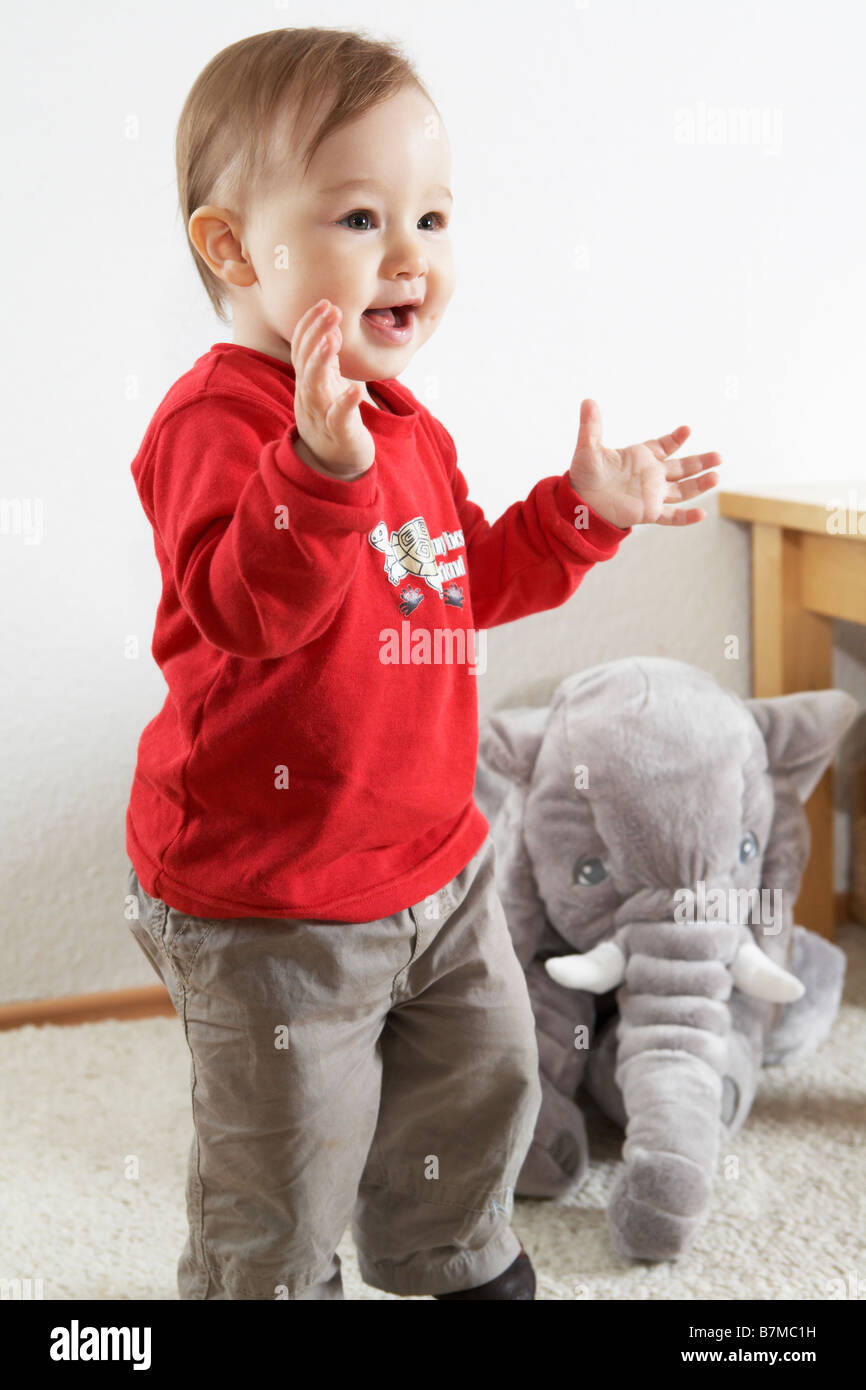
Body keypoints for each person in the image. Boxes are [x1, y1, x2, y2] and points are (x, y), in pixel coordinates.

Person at [124, 26, 722, 1300]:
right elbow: (248, 608)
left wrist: (581, 511)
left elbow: (461, 582)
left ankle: (451, 1260)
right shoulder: (220, 424)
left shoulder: (401, 425)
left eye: (434, 217)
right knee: (286, 1153)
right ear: (233, 247)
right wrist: (317, 471)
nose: (411, 255)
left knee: (483, 1074)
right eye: (358, 215)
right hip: (269, 903)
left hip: (436, 869)